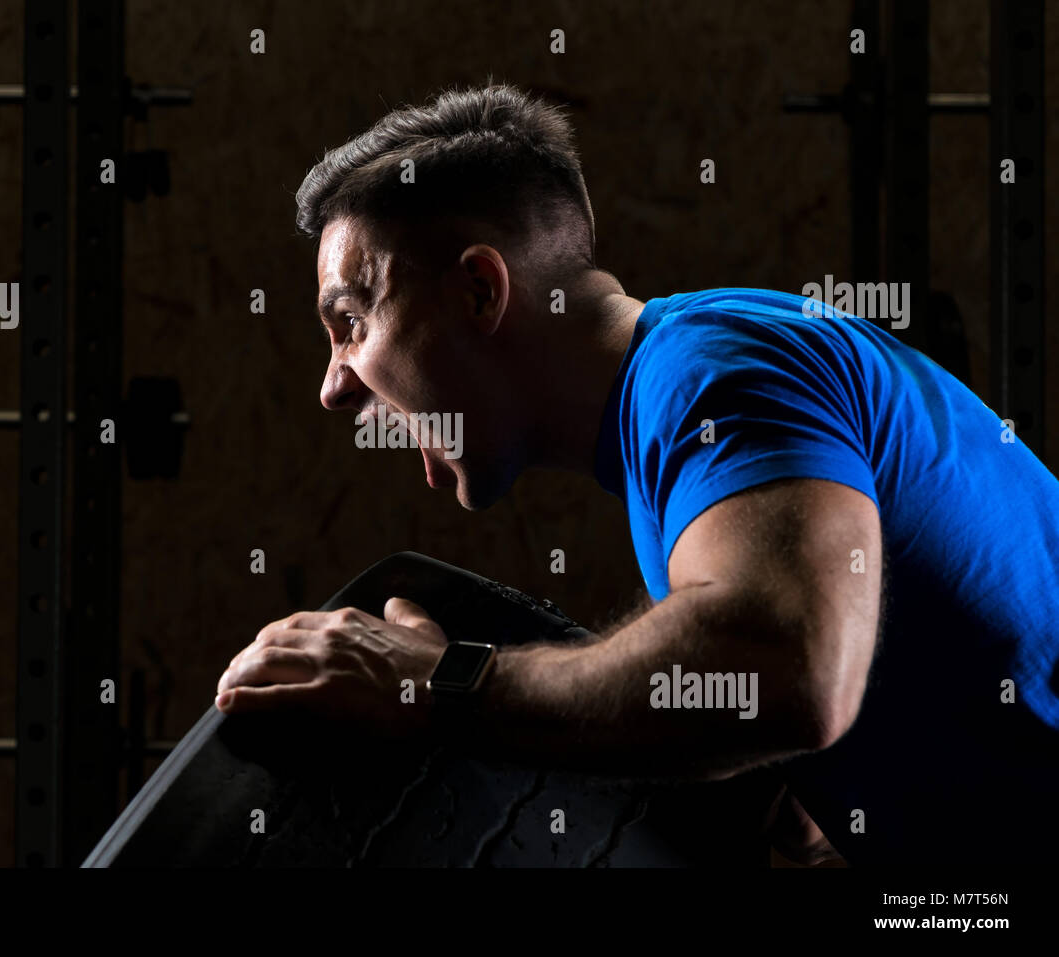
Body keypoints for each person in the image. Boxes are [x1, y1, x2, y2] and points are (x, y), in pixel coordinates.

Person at [214, 83, 1059, 866]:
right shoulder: (680, 413)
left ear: (479, 290)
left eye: (351, 320)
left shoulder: (706, 374)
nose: (333, 385)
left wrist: (439, 682)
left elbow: (792, 670)